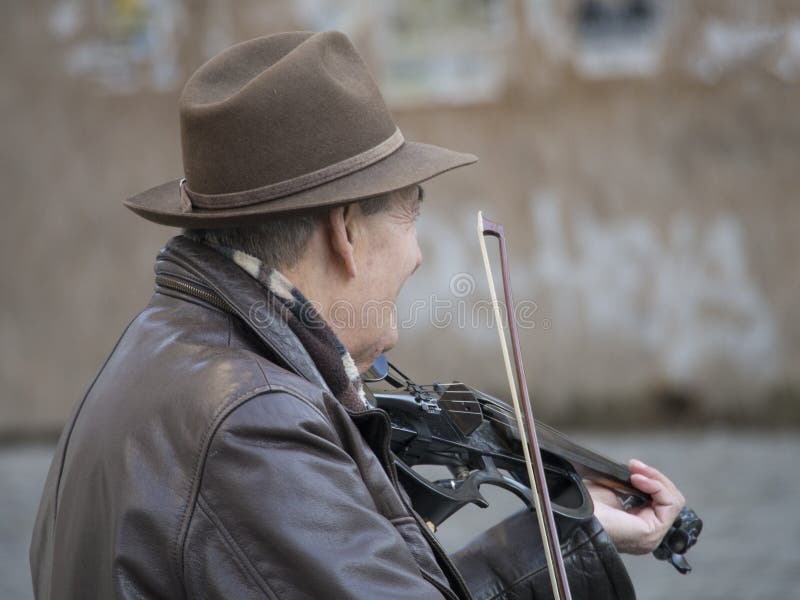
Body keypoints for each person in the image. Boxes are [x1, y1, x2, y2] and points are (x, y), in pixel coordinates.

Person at [30, 31, 684, 599]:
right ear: (345, 229)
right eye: (411, 212)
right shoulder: (255, 427)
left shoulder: (158, 347)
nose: (419, 255)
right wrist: (561, 543)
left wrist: (580, 527)